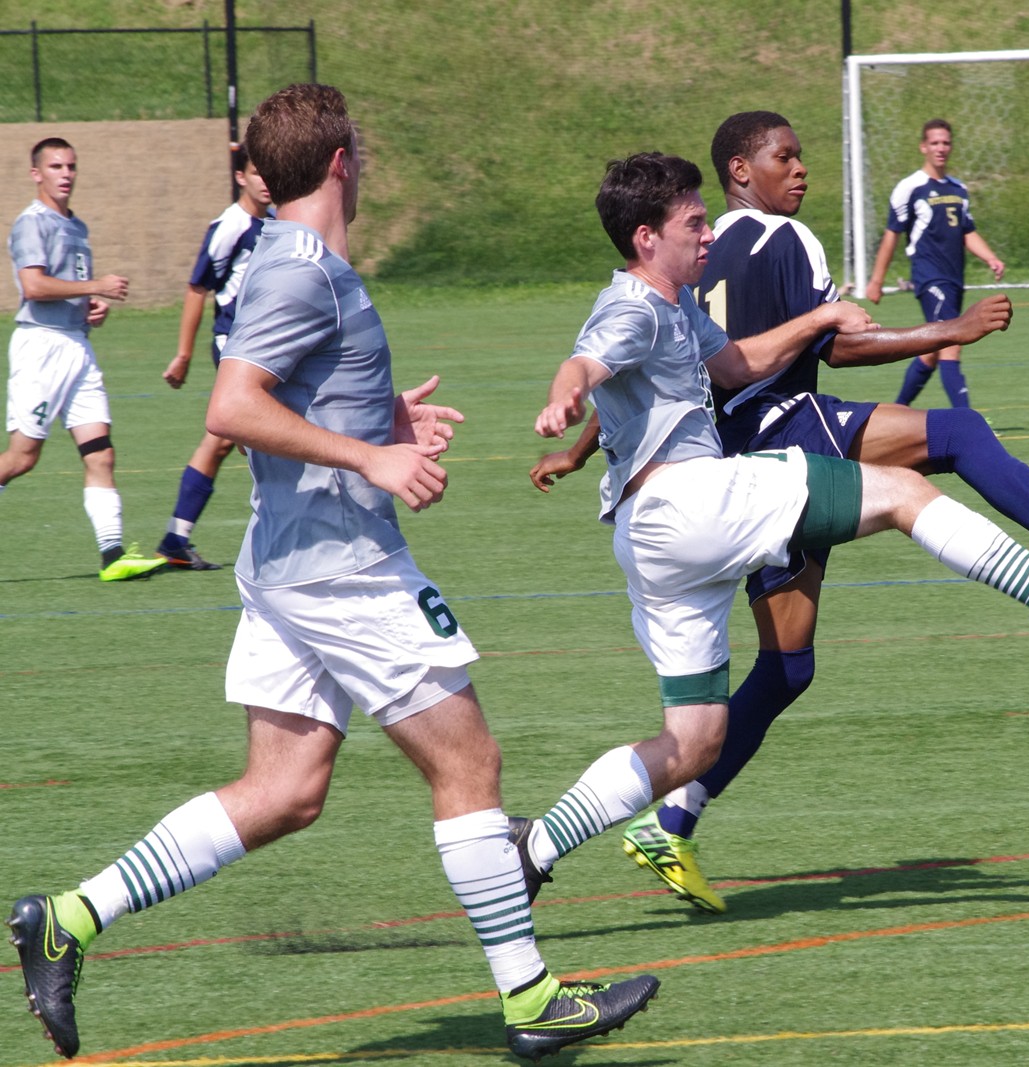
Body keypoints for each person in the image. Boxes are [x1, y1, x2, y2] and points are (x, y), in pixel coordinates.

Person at [5, 85, 658, 1064]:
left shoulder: (295, 264)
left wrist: (380, 416)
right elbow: (233, 407)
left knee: (284, 787)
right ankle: (530, 999)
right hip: (341, 565)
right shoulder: (300, 270)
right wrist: (374, 457)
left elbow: (284, 392)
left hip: (290, 557)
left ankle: (67, 917)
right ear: (343, 159)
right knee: (468, 763)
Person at [530, 111, 1029, 914]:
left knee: (692, 740)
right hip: (702, 497)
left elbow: (733, 362)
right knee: (909, 489)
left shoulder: (677, 307)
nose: (707, 234)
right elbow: (594, 354)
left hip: (656, 542)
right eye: (693, 222)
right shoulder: (641, 300)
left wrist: (580, 444)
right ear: (645, 238)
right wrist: (567, 392)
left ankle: (534, 845)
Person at [0, 137, 165, 581]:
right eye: (55, 166)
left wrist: (93, 306)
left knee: (101, 455)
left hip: (77, 347)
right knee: (21, 457)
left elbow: (68, 288)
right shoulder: (31, 223)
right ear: (37, 173)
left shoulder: (77, 226)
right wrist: (95, 286)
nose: (66, 174)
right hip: (42, 348)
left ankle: (113, 557)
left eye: (71, 165)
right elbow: (34, 287)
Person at [154, 145, 274, 571]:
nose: (264, 180)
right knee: (242, 435)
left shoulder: (277, 224)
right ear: (240, 177)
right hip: (233, 343)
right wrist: (184, 353)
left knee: (230, 440)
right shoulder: (230, 225)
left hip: (265, 346)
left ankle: (175, 539)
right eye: (256, 172)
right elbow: (197, 288)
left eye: (269, 173)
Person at [863, 119, 1005, 409]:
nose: (941, 148)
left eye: (946, 143)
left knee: (931, 350)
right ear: (923, 147)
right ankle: (966, 419)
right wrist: (877, 280)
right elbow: (892, 235)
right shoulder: (910, 188)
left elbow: (967, 231)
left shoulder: (958, 188)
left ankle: (897, 410)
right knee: (951, 342)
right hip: (930, 278)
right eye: (935, 143)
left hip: (954, 278)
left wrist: (989, 257)